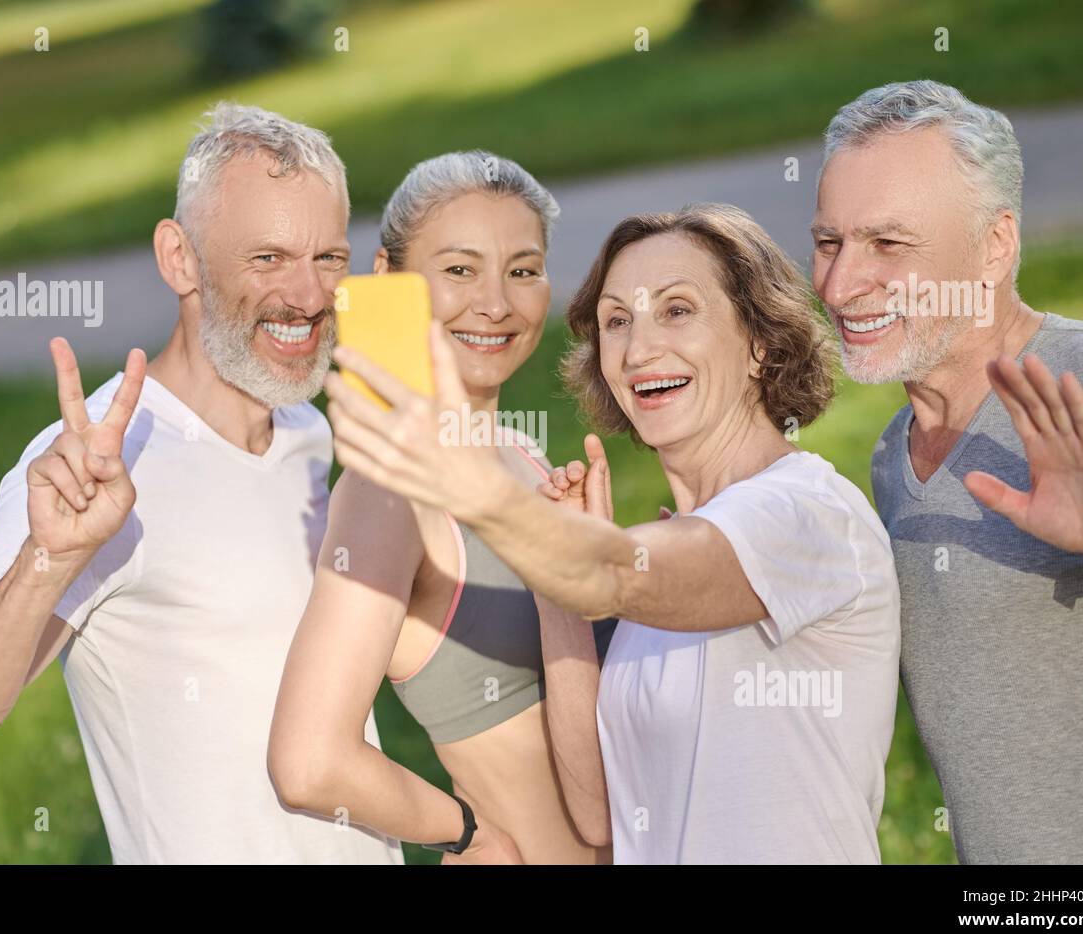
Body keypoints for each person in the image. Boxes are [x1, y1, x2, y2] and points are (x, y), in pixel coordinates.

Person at [0, 102, 402, 865]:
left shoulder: (307, 434)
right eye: (268, 258)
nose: (310, 295)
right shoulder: (101, 461)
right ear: (179, 258)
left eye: (327, 257)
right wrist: (50, 559)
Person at [323, 203, 903, 863]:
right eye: (617, 321)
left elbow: (620, 572)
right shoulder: (653, 591)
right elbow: (602, 813)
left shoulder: (806, 514)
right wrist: (560, 588)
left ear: (759, 341)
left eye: (678, 311)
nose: (639, 347)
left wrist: (481, 492)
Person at [812, 79, 1083, 863]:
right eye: (830, 242)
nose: (839, 284)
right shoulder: (892, 457)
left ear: (994, 246)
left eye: (888, 245)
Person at [269, 151, 611, 864]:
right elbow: (308, 762)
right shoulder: (388, 491)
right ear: (389, 279)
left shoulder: (522, 455)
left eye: (523, 270)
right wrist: (464, 832)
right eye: (459, 270)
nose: (495, 304)